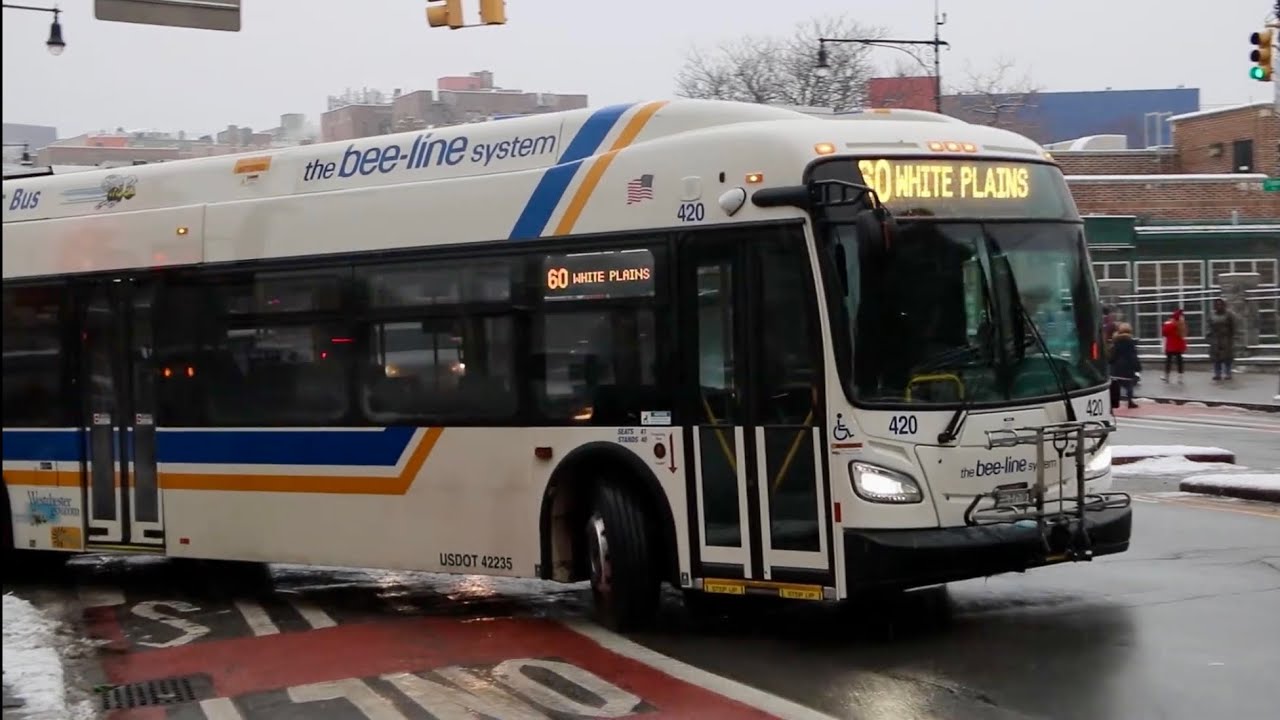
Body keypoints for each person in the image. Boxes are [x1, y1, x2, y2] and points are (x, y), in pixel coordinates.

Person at [1109, 322, 1141, 409]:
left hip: (1116, 367)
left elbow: (1112, 355)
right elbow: (1133, 356)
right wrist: (1137, 367)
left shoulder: (1116, 342)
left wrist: (1111, 363)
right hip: (1127, 367)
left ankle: (1113, 402)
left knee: (1116, 385)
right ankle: (1130, 401)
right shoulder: (1130, 342)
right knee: (1129, 385)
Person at [1206, 298, 1237, 381]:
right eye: (1217, 304)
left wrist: (1231, 337)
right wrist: (1209, 336)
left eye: (1220, 304)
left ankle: (1228, 373)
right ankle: (1217, 374)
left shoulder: (1229, 314)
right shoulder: (1212, 315)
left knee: (1227, 357)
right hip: (1215, 339)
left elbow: (1233, 327)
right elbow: (1209, 326)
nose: (1219, 306)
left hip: (1225, 338)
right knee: (1216, 358)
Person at [1161, 308, 1188, 382]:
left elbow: (1164, 333)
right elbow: (1184, 335)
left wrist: (1165, 324)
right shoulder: (1182, 325)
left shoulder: (1169, 325)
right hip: (1179, 347)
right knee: (1179, 361)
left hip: (1170, 346)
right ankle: (1180, 377)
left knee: (1168, 361)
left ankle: (1167, 377)